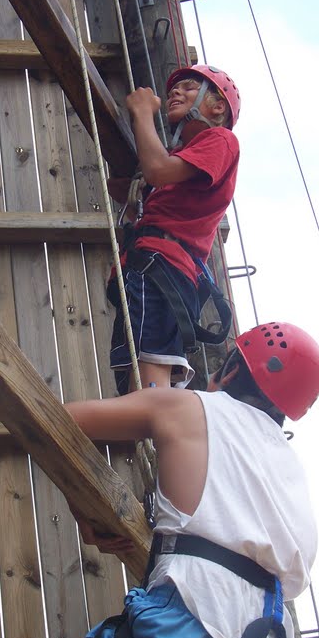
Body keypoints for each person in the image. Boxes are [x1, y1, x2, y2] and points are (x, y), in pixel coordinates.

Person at [0, 321, 319, 638]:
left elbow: (59, 422)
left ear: (229, 368)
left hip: (183, 636)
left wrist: (83, 510)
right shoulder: (294, 477)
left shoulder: (188, 407)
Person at [107, 65, 241, 395]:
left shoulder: (221, 140)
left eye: (190, 87)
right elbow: (155, 178)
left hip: (161, 270)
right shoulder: (183, 161)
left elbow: (157, 170)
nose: (175, 93)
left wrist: (141, 112)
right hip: (153, 269)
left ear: (218, 105)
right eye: (174, 90)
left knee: (148, 372)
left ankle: (153, 433)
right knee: (134, 371)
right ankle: (147, 436)